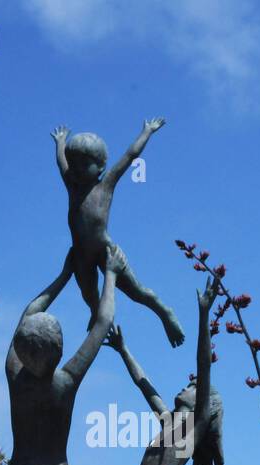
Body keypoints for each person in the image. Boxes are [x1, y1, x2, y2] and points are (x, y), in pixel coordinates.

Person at [5, 244, 125, 465]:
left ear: (21, 347)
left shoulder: (15, 376)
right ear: (59, 350)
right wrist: (110, 274)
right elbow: (103, 322)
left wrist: (65, 275)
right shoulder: (67, 380)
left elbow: (29, 312)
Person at [53, 118, 184, 348]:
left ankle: (165, 312)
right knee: (88, 294)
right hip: (81, 255)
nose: (76, 169)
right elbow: (61, 163)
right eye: (74, 164)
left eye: (84, 164)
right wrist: (60, 142)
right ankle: (98, 315)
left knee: (137, 292)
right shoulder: (72, 186)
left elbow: (130, 156)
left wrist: (147, 131)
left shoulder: (106, 185)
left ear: (101, 167)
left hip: (106, 252)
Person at [106, 277, 223, 465]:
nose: (186, 385)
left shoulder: (195, 426)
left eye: (193, 386)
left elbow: (203, 364)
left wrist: (204, 314)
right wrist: (123, 350)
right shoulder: (169, 421)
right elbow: (143, 383)